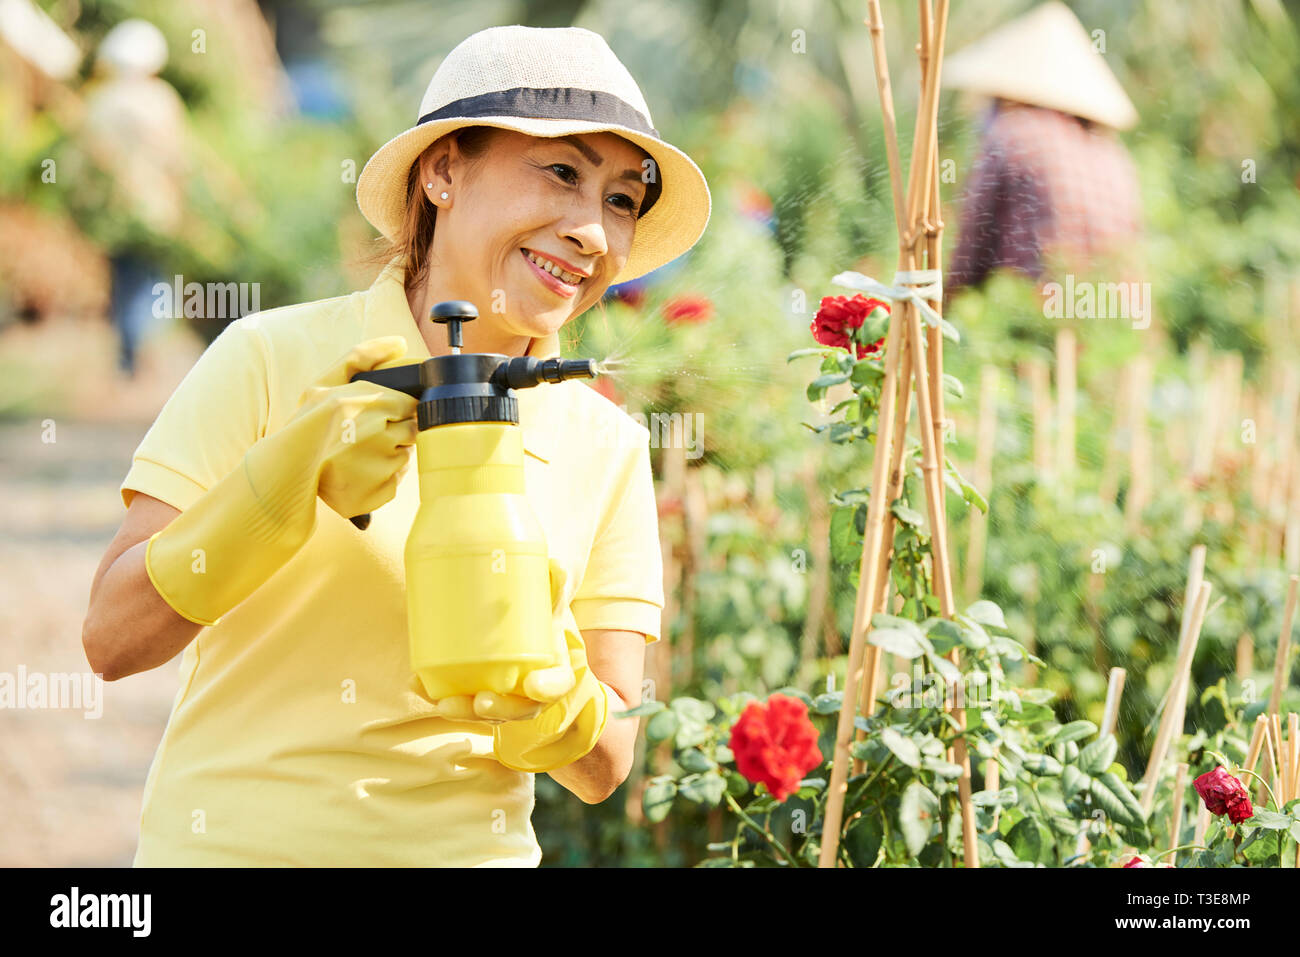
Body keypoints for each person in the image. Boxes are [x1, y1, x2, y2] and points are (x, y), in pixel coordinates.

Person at [81, 25, 711, 866]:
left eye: (622, 200)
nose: (593, 230)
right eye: (562, 172)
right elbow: (112, 639)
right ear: (443, 171)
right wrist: (276, 491)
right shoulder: (274, 360)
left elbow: (607, 767)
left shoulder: (605, 444)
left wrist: (553, 697)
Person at [941, 2, 1143, 297]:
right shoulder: (1110, 151)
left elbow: (974, 242)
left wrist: (940, 308)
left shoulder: (1012, 133)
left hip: (1038, 310)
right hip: (1110, 314)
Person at [80, 19, 189, 377]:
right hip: (154, 211)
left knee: (125, 282)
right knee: (151, 282)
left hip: (112, 212)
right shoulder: (160, 101)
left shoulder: (99, 102)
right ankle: (143, 351)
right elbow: (177, 158)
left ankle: (129, 355)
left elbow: (88, 161)